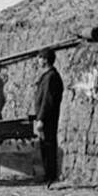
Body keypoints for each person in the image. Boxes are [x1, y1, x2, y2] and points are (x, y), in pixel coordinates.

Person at [31, 48, 64, 186]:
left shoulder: (51, 77)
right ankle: (47, 175)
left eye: (39, 58)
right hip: (45, 117)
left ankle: (50, 176)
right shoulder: (47, 76)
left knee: (49, 146)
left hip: (48, 118)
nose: (38, 61)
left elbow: (47, 100)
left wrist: (41, 119)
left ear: (45, 59)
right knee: (45, 146)